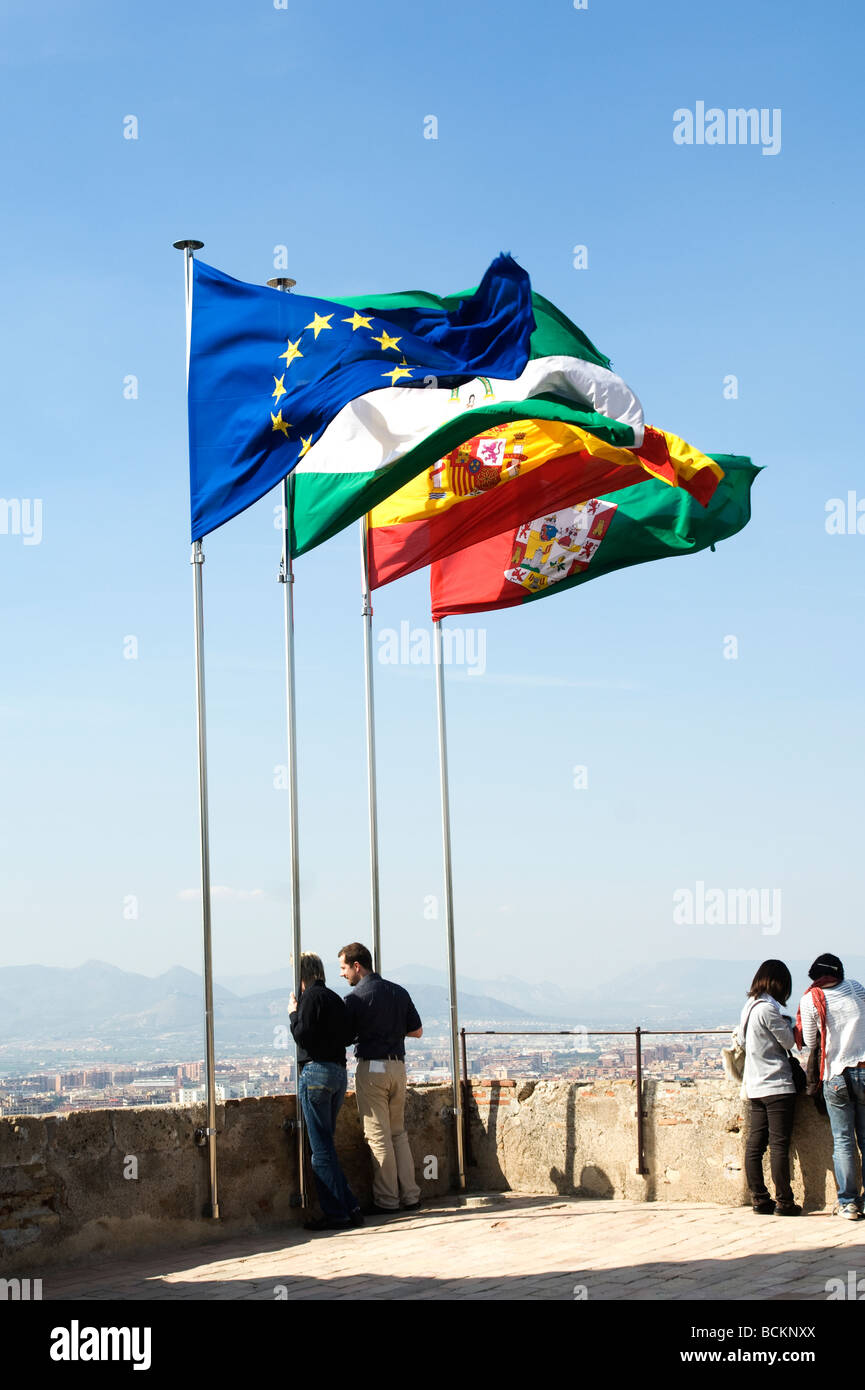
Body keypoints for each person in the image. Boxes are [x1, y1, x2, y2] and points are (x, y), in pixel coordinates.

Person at [338, 942, 423, 1214]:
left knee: (378, 1136)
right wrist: (392, 1032)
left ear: (357, 966)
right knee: (398, 1133)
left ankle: (387, 1201)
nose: (342, 974)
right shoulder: (399, 992)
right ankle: (411, 1195)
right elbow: (417, 1031)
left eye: (343, 968)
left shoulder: (354, 999)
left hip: (372, 1068)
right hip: (398, 1067)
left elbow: (345, 1037)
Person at [289, 951, 362, 1232]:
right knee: (326, 1146)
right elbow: (348, 1036)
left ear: (301, 976)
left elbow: (302, 1035)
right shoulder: (333, 998)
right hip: (338, 1072)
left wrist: (293, 1013)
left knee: (319, 1150)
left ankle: (335, 1213)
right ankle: (351, 1206)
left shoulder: (310, 999)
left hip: (316, 1072)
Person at [796, 953, 865, 1221]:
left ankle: (848, 1202)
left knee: (844, 1141)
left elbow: (812, 1042)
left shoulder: (810, 999)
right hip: (863, 1067)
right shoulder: (856, 988)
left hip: (836, 1074)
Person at [736, 959, 801, 1216]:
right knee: (778, 1145)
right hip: (776, 1085)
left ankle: (759, 1198)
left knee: (755, 1144)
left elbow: (741, 1040)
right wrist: (790, 1025)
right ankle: (784, 1202)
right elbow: (787, 1042)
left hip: (755, 1085)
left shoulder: (749, 1007)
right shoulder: (768, 1009)